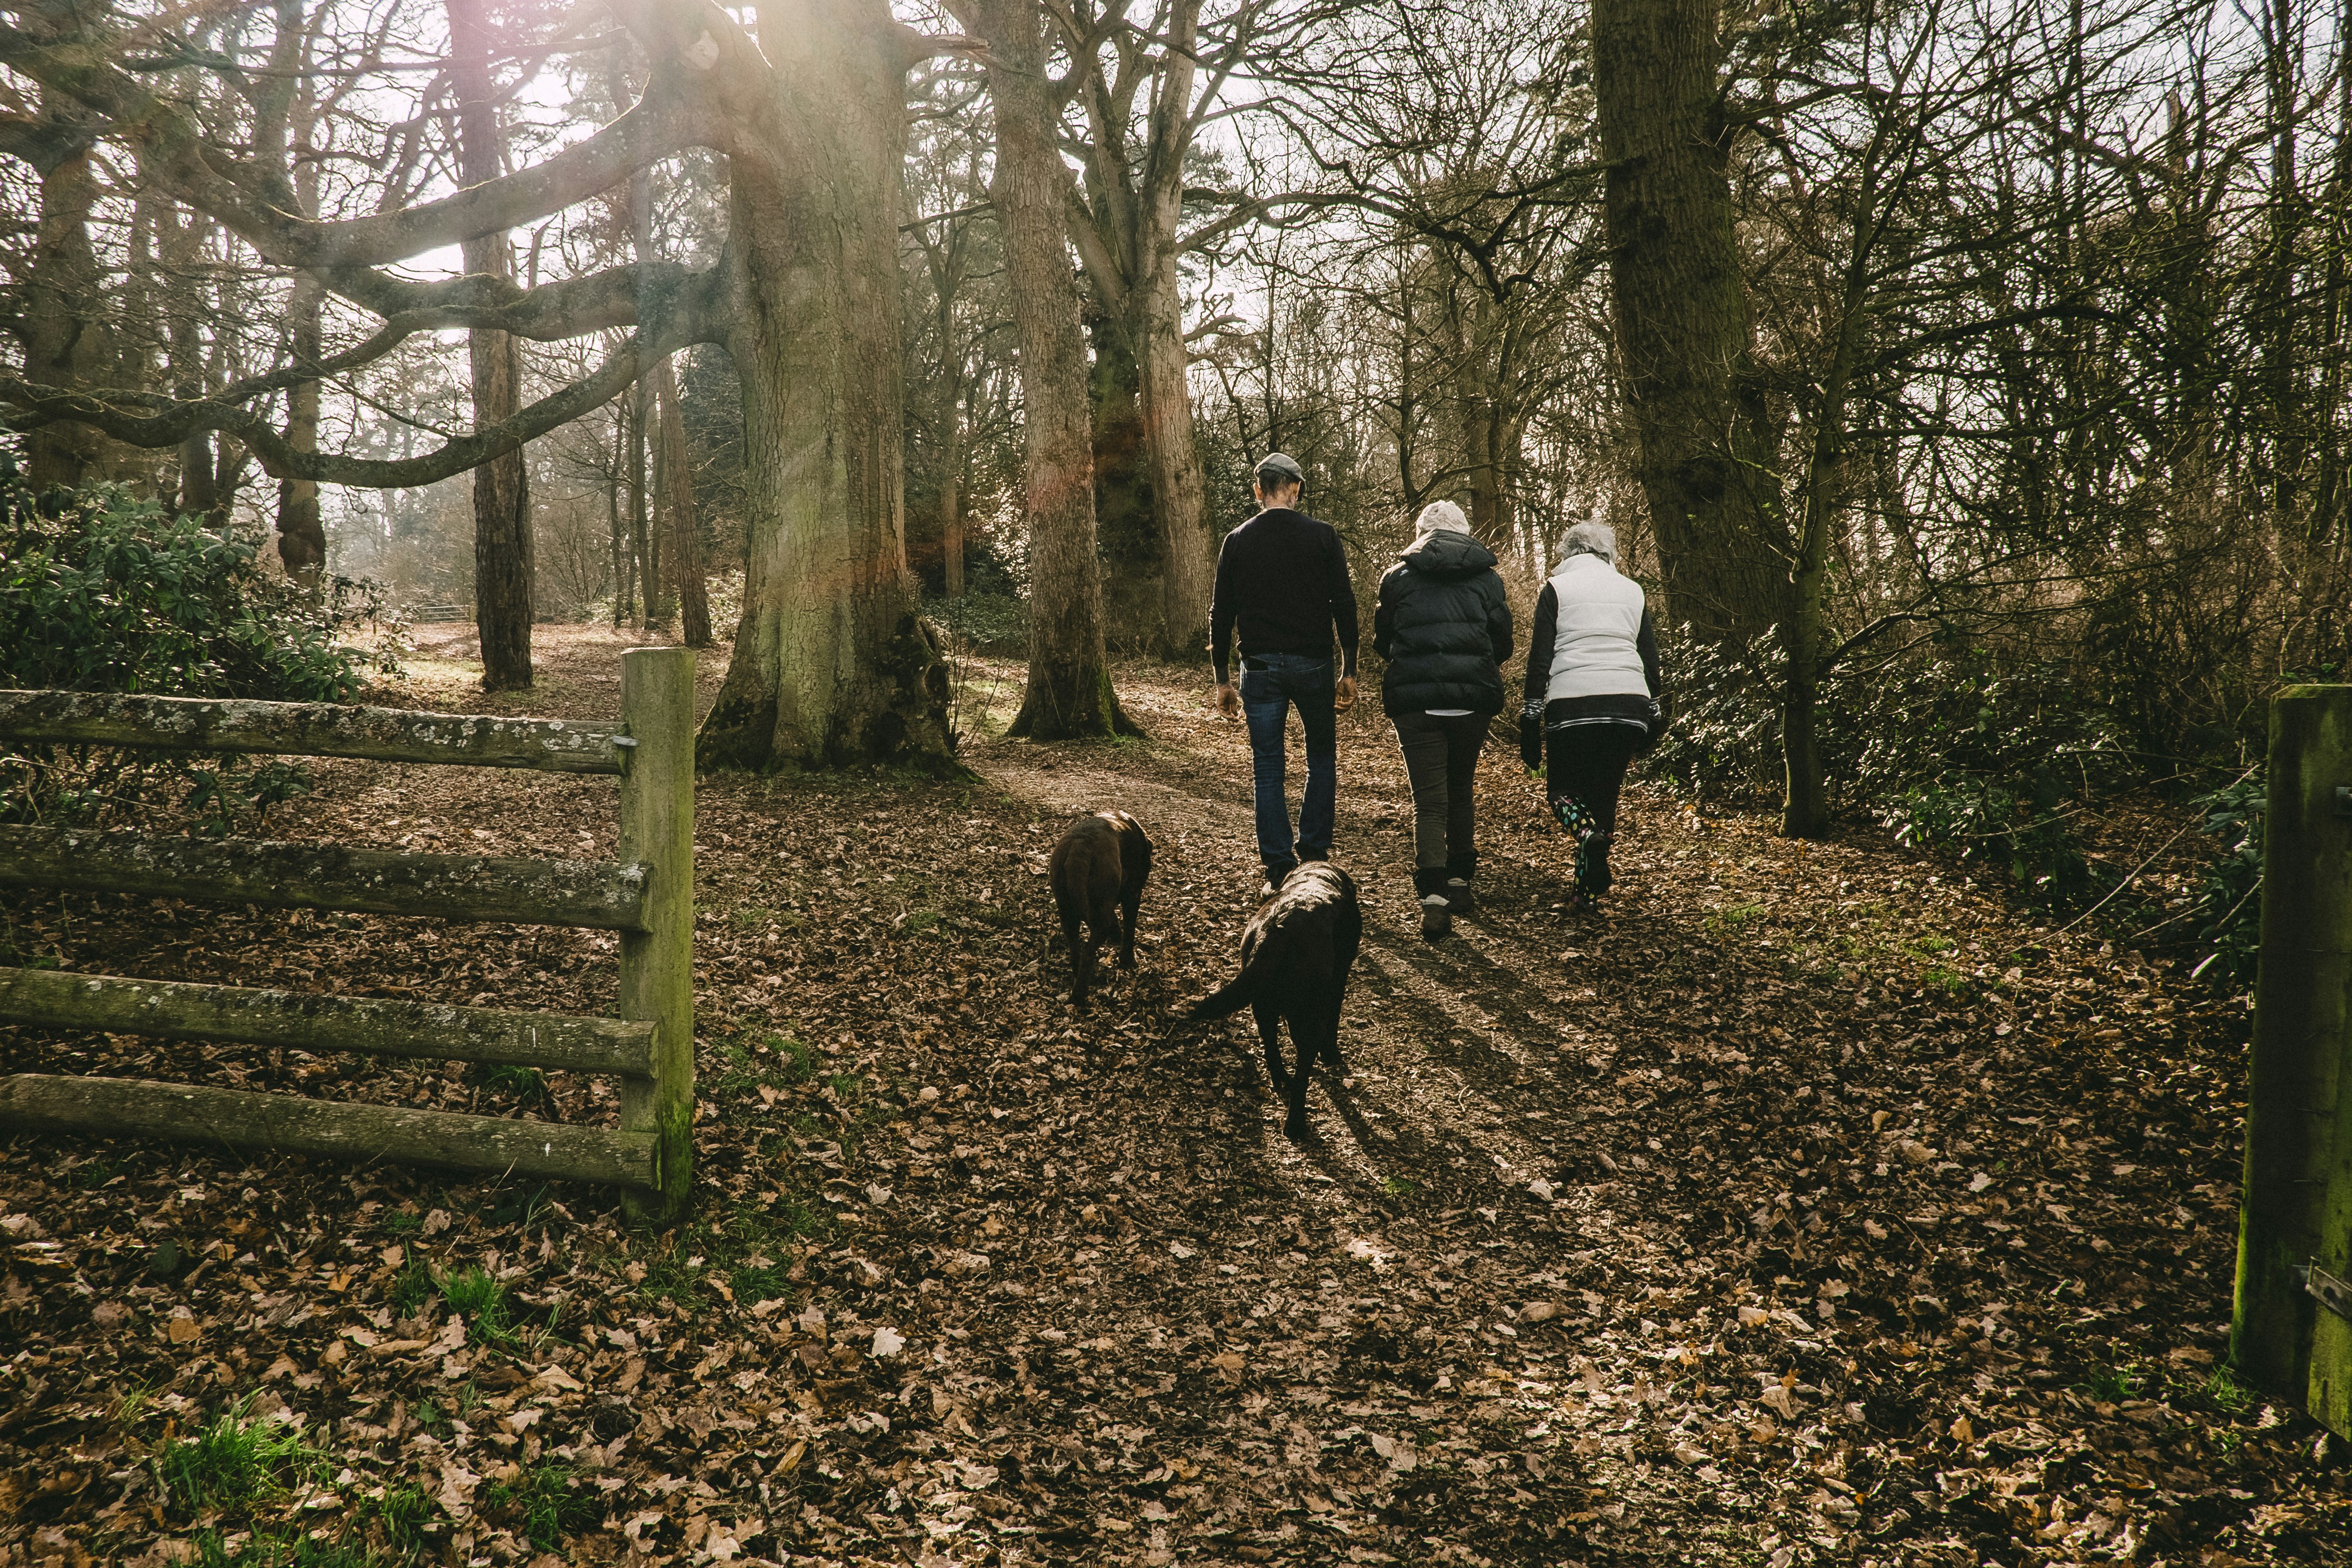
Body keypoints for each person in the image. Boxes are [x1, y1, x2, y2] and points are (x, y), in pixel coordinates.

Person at [1210, 453, 1360, 894]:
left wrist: (1222, 679)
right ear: (1294, 489)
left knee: (1268, 768)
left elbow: (1222, 614)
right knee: (1322, 758)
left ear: (1259, 490)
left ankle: (1279, 871)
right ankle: (1313, 857)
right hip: (1313, 663)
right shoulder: (1323, 537)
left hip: (1257, 668)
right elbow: (1345, 605)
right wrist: (1350, 669)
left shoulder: (1236, 541)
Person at [1372, 500, 1512, 940]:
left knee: (1429, 800)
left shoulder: (1396, 578)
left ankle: (1433, 900)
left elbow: (1383, 641)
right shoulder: (1487, 580)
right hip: (1472, 699)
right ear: (1464, 532)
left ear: (1422, 533)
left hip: (1416, 701)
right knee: (1461, 789)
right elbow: (1502, 645)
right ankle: (1460, 882)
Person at [1519, 520, 1664, 913]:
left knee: (1563, 792)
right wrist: (1656, 711)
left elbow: (1540, 659)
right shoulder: (1632, 590)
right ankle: (1585, 895)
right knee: (1604, 799)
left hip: (1573, 705)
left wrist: (1530, 717)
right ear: (1607, 554)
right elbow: (1650, 660)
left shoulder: (1556, 589)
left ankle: (1584, 835)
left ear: (1568, 553)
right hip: (1628, 705)